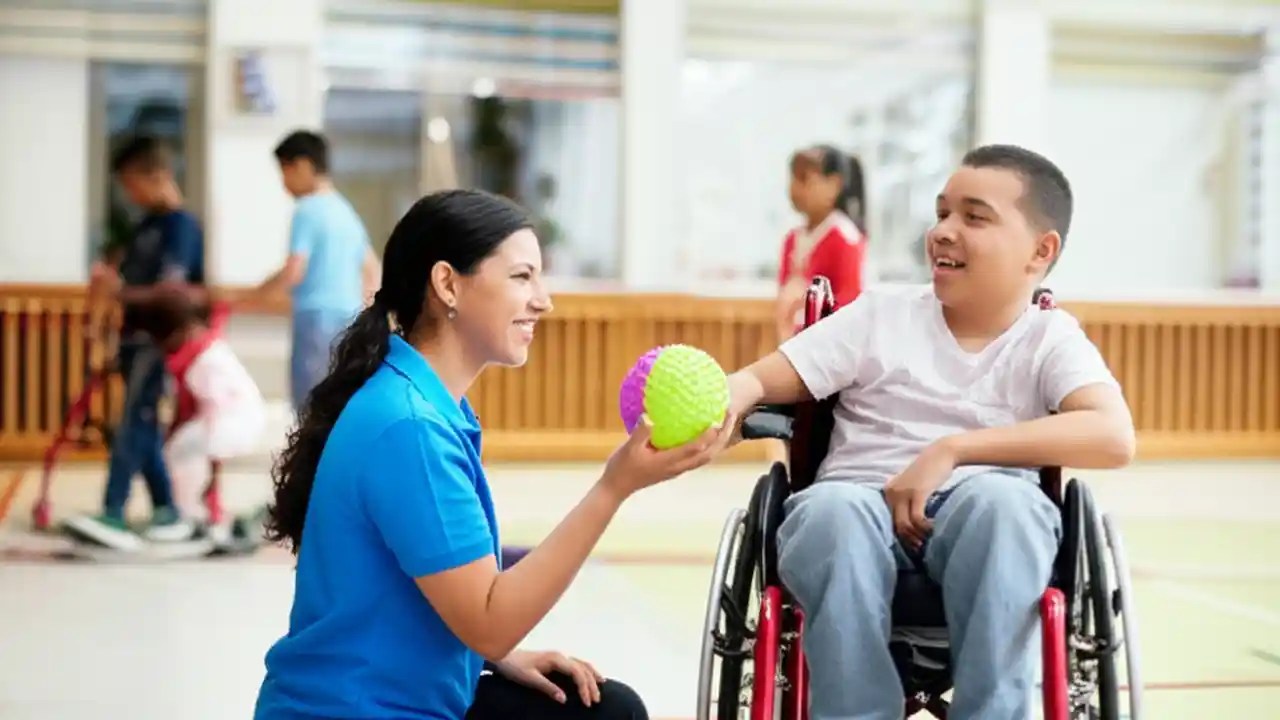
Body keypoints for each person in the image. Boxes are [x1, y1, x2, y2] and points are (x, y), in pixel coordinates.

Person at [253, 189, 732, 720]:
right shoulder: (408, 427)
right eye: (522, 277)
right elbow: (490, 618)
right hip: (356, 709)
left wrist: (496, 655)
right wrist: (613, 486)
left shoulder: (418, 402)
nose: (543, 300)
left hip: (403, 697)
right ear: (448, 284)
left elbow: (454, 606)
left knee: (604, 707)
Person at [722, 145, 1137, 719]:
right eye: (942, 213)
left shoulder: (1049, 338)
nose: (943, 231)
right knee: (829, 513)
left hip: (982, 515)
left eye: (974, 216)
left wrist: (955, 450)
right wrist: (728, 397)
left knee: (1005, 506)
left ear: (1040, 252)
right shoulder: (880, 315)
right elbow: (758, 379)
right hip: (858, 500)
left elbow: (1114, 437)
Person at [65, 135, 206, 551]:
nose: (130, 193)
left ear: (157, 175)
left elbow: (170, 290)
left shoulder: (182, 227)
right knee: (140, 426)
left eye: (132, 183)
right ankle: (168, 509)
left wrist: (118, 291)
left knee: (132, 424)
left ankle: (113, 511)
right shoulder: (144, 227)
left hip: (159, 343)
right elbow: (123, 280)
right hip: (132, 340)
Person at [241, 129, 380, 412]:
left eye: (285, 172)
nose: (284, 184)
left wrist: (253, 296)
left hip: (315, 319)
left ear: (303, 166)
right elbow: (372, 270)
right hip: (348, 318)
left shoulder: (307, 209)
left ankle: (309, 458)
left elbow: (294, 271)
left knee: (309, 404)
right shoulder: (346, 211)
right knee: (338, 401)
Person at [146, 289, 267, 536]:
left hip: (229, 419)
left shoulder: (198, 357)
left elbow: (202, 407)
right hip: (237, 417)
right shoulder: (210, 346)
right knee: (187, 449)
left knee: (179, 450)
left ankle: (187, 517)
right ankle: (204, 510)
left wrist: (176, 433)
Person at [775, 144, 868, 342]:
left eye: (804, 179)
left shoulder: (845, 238)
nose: (795, 188)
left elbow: (849, 305)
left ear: (834, 185)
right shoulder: (792, 239)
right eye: (793, 178)